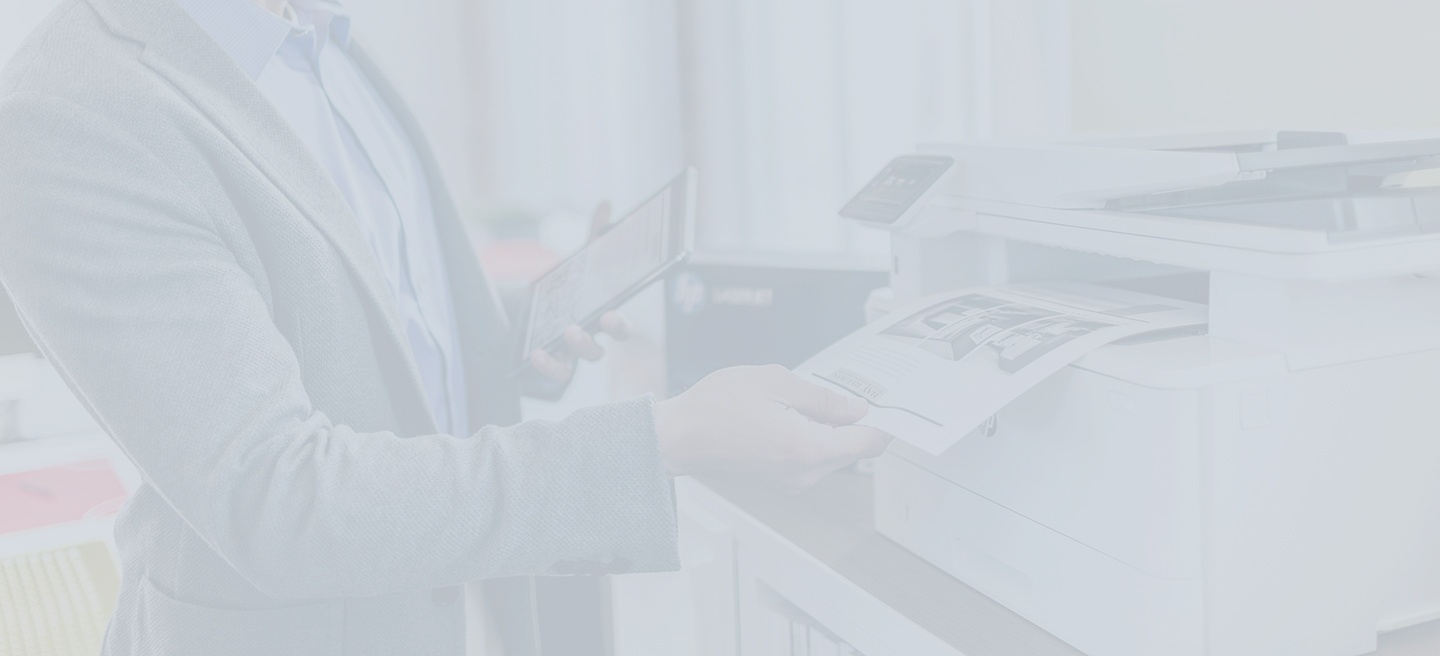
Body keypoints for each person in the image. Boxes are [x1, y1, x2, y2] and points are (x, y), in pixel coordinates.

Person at [0, 0, 891, 654]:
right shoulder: (73, 110)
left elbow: (355, 307)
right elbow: (280, 500)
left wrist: (508, 334)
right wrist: (665, 440)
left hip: (473, 605)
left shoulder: (318, 37)